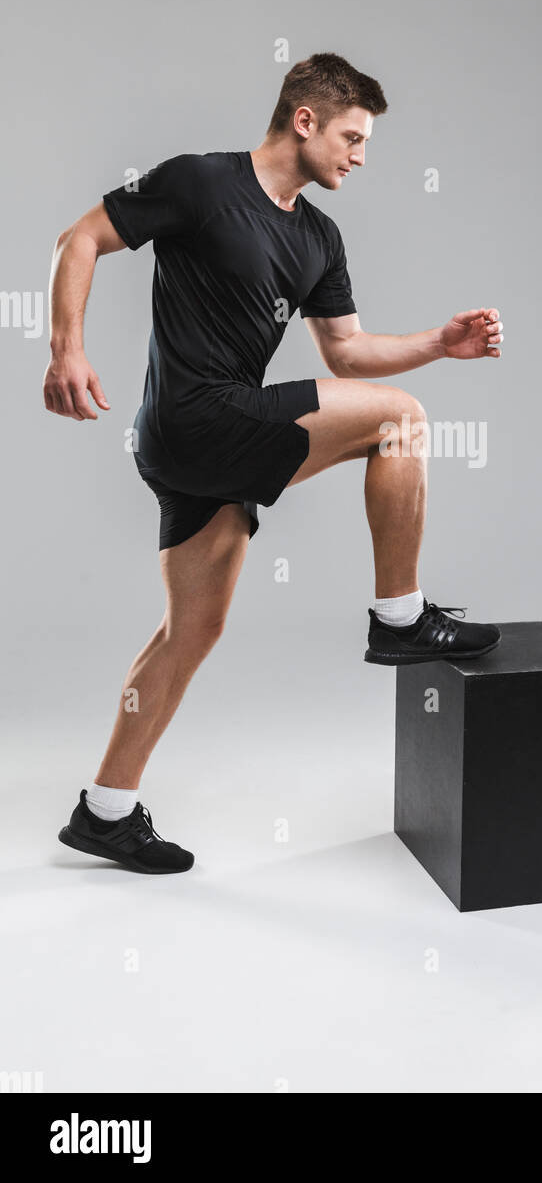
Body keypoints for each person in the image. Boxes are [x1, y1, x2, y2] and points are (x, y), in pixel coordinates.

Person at [44, 52, 505, 875]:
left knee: (193, 629)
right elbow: (80, 239)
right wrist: (66, 351)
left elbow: (349, 351)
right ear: (305, 121)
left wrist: (439, 343)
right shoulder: (198, 182)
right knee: (401, 423)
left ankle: (104, 812)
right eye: (353, 138)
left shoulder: (318, 236)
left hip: (203, 445)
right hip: (197, 418)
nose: (360, 157)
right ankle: (400, 619)